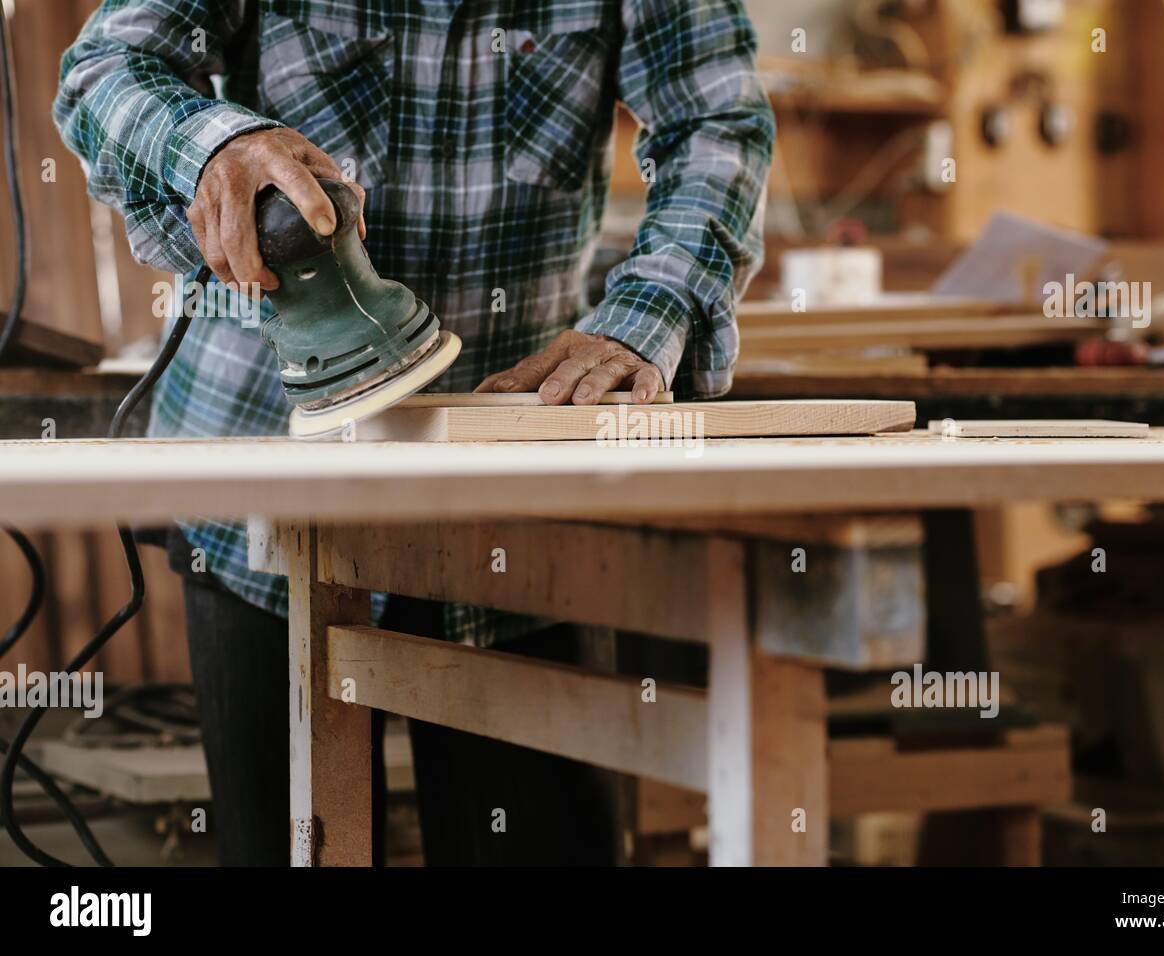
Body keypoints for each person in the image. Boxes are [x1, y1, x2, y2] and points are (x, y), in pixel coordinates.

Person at [55, 0, 773, 865]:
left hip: (517, 478)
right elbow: (103, 70)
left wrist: (642, 319)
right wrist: (209, 145)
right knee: (284, 851)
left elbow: (715, 121)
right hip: (261, 484)